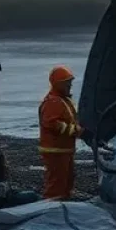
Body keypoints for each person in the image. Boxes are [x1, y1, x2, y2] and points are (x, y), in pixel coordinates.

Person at [38, 65, 88, 201]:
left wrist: (81, 129)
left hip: (64, 150)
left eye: (70, 82)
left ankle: (63, 204)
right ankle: (51, 208)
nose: (70, 86)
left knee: (67, 180)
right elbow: (52, 124)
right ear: (58, 84)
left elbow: (68, 120)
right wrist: (77, 131)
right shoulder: (53, 102)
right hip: (55, 151)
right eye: (67, 83)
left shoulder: (62, 100)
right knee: (56, 185)